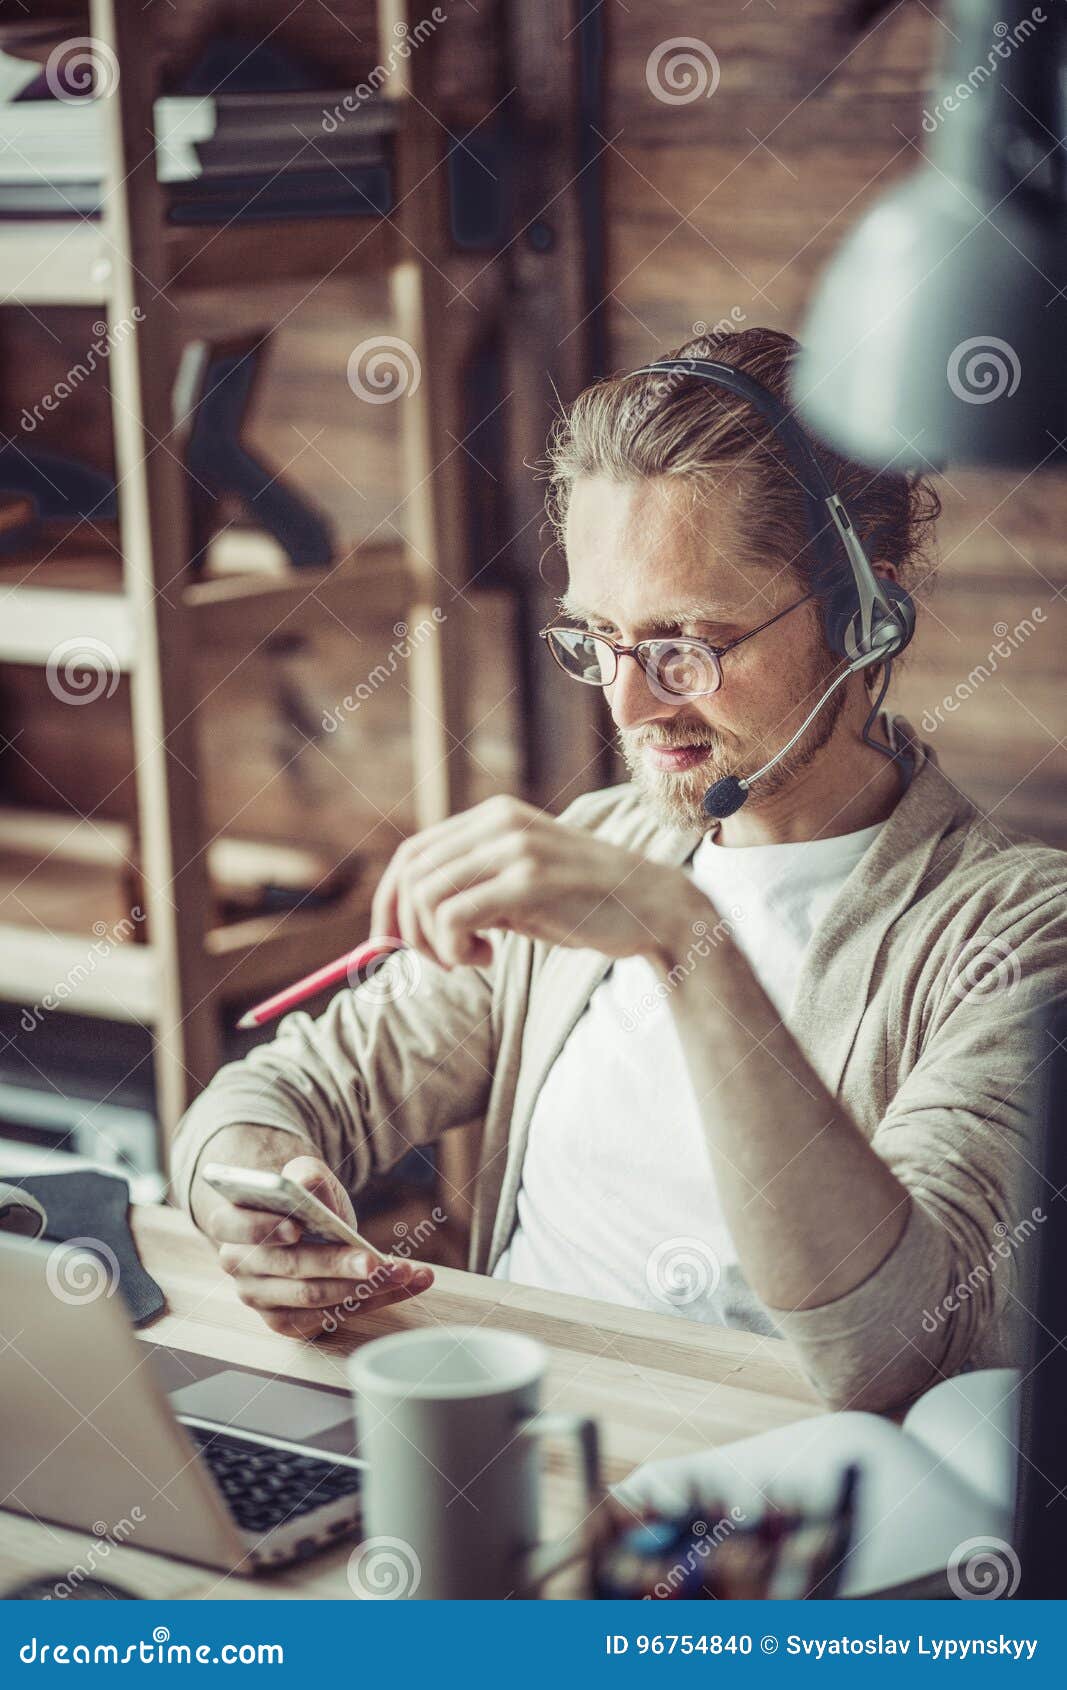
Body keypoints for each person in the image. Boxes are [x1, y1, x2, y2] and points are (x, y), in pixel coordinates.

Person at [173, 327, 1066, 1412]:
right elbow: (283, 1087)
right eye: (598, 637)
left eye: (686, 641)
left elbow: (891, 1348)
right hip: (496, 1447)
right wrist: (251, 1198)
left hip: (745, 1497)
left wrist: (684, 938)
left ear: (861, 614)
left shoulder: (1016, 936)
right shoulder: (605, 843)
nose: (630, 703)